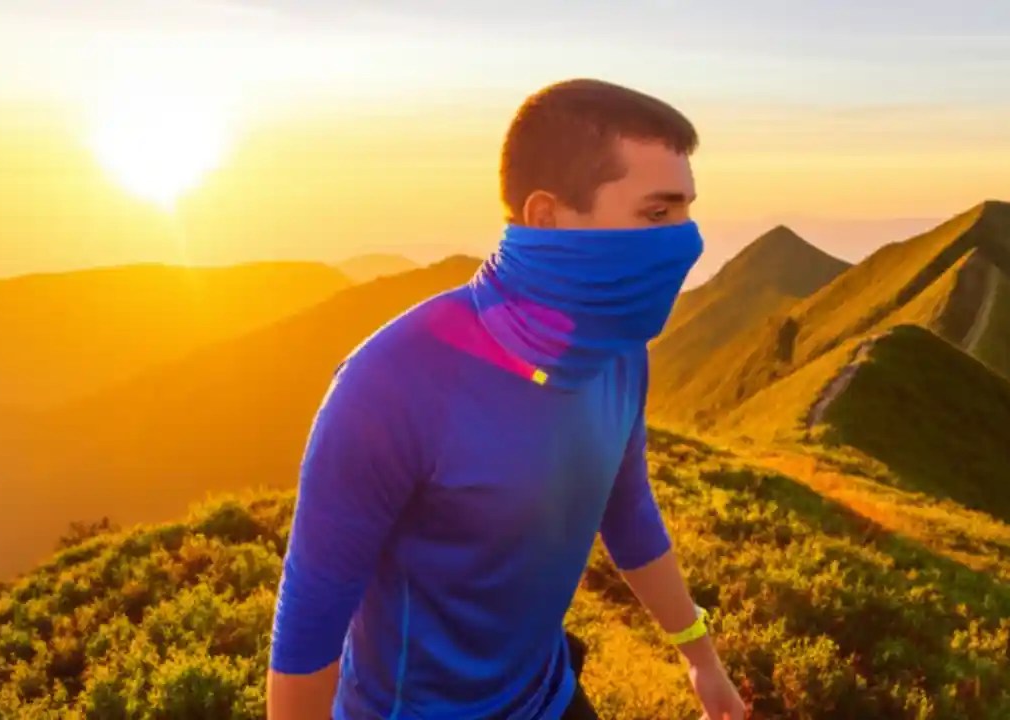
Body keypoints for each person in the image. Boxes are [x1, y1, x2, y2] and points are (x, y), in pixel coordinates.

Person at [268, 78, 746, 720]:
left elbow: (627, 510)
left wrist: (702, 660)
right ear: (546, 216)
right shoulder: (390, 382)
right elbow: (308, 624)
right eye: (656, 214)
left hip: (549, 695)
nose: (686, 240)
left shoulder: (619, 354)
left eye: (686, 209)